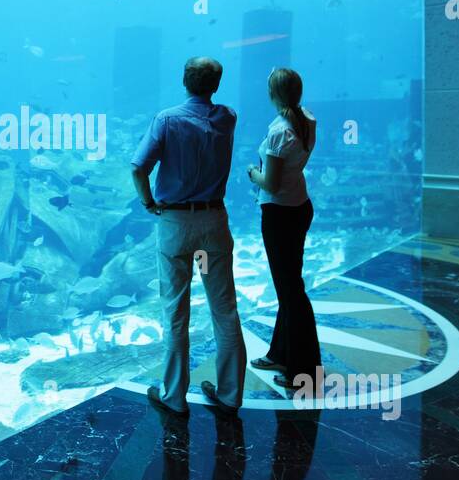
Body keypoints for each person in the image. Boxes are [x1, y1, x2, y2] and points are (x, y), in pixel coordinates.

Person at [131, 57, 247, 416]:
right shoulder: (227, 117)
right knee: (224, 309)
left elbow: (139, 167)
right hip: (213, 223)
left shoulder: (167, 119)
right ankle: (229, 394)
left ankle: (174, 397)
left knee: (176, 311)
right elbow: (216, 114)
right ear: (216, 84)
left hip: (176, 224)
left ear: (183, 81)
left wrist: (148, 202)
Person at [246, 67, 320, 391]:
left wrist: (252, 173)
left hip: (279, 214)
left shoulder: (279, 130)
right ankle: (281, 352)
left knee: (292, 292)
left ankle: (304, 371)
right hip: (300, 207)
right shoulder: (307, 119)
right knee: (288, 288)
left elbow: (271, 183)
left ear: (273, 94)